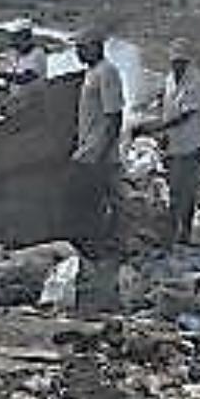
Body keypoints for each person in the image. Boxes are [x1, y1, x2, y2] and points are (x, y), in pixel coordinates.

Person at [137, 38, 200, 247]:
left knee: (183, 189)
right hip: (176, 143)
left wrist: (157, 128)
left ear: (188, 62)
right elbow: (166, 104)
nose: (177, 65)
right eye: (174, 61)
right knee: (178, 188)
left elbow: (185, 116)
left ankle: (178, 232)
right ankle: (180, 231)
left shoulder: (196, 81)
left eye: (181, 62)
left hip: (193, 143)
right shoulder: (170, 78)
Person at [66, 27, 124, 255]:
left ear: (96, 47)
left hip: (97, 151)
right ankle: (96, 241)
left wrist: (102, 152)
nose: (78, 53)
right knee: (92, 198)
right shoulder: (92, 73)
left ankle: (100, 243)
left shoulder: (107, 73)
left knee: (95, 199)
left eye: (81, 48)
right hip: (88, 148)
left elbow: (115, 117)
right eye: (76, 49)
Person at [0, 24, 48, 89]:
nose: (15, 44)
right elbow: (12, 85)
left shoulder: (37, 53)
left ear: (28, 39)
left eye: (17, 39)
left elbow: (25, 80)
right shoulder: (16, 54)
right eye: (13, 39)